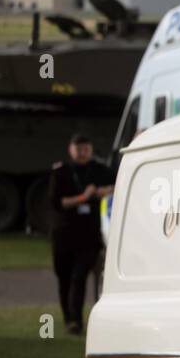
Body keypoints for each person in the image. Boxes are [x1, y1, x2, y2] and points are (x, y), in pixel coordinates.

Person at [47, 133, 113, 335]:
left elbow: (117, 184)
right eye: (79, 148)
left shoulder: (100, 170)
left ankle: (76, 321)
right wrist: (83, 197)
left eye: (86, 148)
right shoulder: (61, 173)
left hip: (88, 236)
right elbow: (58, 202)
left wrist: (103, 191)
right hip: (64, 234)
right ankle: (68, 316)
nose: (83, 152)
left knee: (79, 276)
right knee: (64, 277)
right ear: (71, 150)